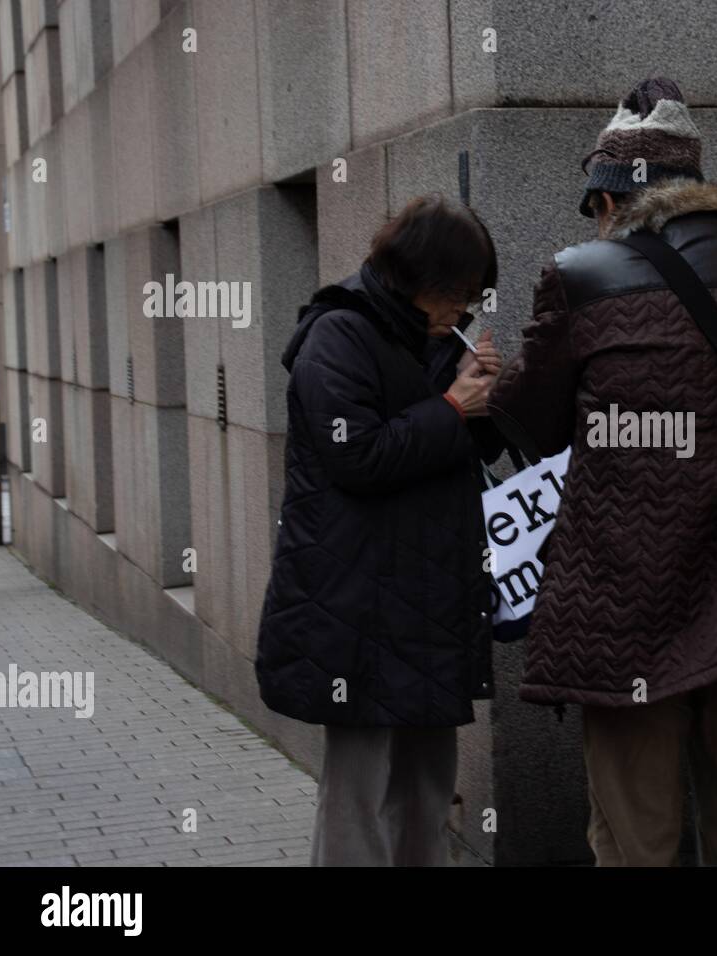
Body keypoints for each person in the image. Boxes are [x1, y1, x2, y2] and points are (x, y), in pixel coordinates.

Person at [488, 77, 717, 866]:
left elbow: (531, 419)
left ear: (609, 200)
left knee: (637, 839)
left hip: (622, 604)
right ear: (696, 184)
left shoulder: (583, 274)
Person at [255, 193, 505, 866]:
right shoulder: (338, 333)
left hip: (431, 600)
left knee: (428, 784)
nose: (464, 312)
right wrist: (454, 406)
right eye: (458, 296)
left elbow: (458, 455)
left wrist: (483, 402)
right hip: (354, 600)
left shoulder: (430, 337)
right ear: (416, 279)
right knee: (360, 791)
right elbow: (355, 456)